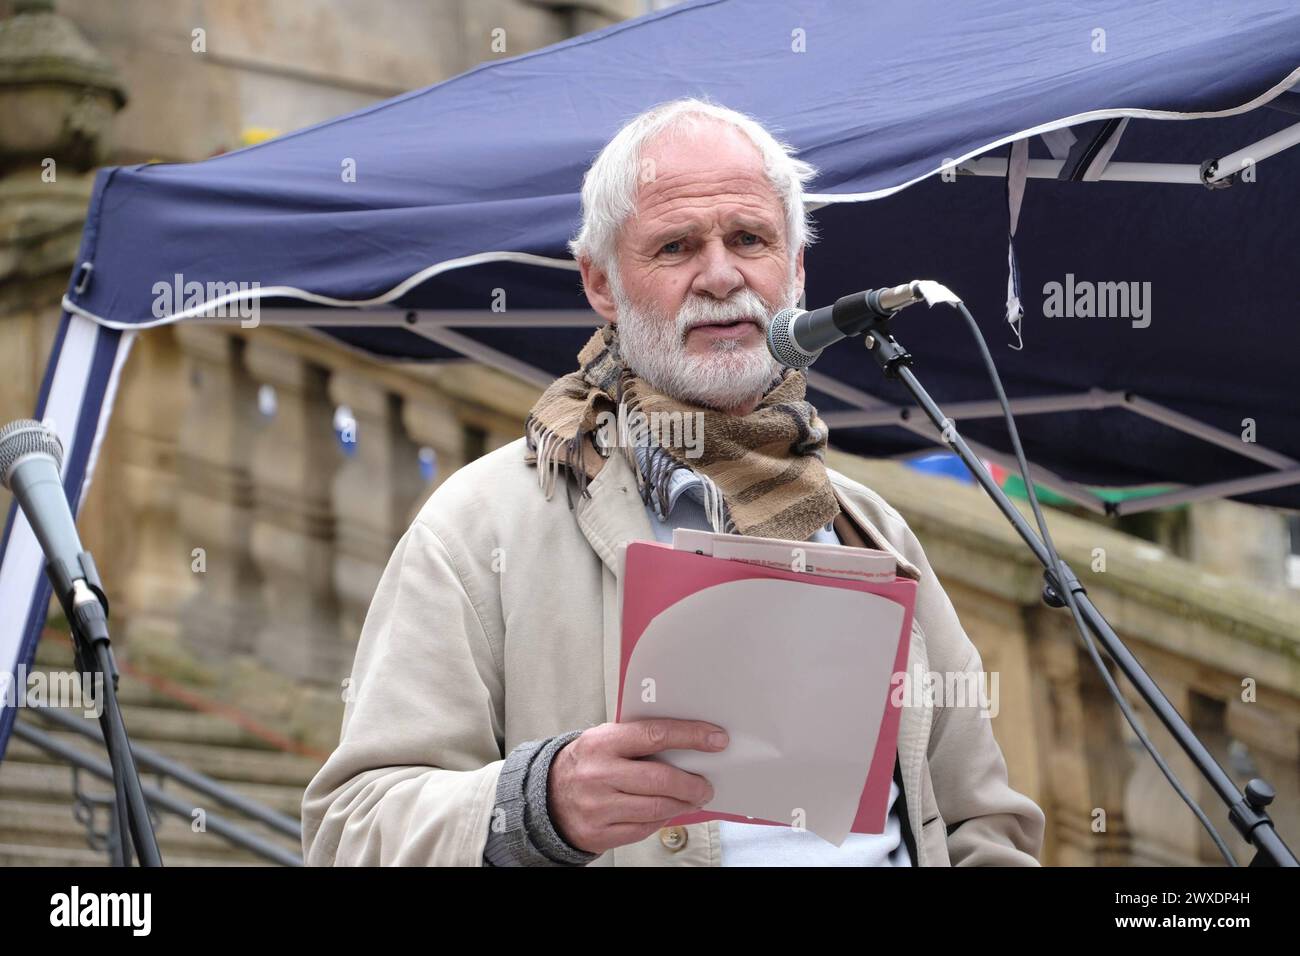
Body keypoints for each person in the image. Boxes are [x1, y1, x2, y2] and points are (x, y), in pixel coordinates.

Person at [301, 98, 1045, 866]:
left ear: (794, 271)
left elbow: (982, 824)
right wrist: (537, 804)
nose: (720, 276)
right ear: (600, 283)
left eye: (750, 239)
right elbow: (349, 829)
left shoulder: (872, 530)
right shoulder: (480, 527)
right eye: (676, 246)